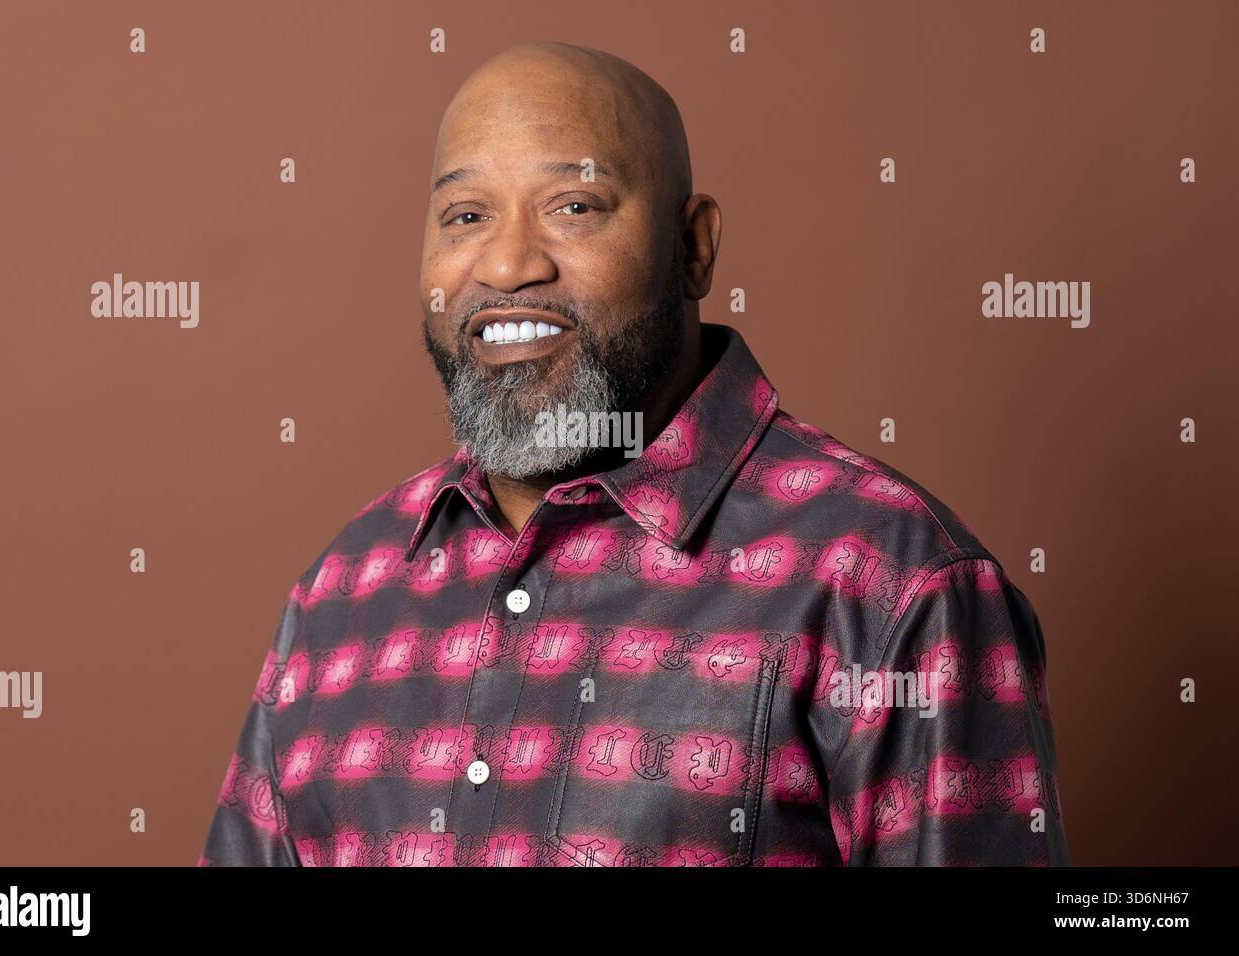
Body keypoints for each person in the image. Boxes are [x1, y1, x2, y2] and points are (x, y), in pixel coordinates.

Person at [198, 40, 1067, 867]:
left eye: (574, 206)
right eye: (466, 215)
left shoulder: (889, 586)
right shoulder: (342, 597)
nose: (507, 263)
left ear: (693, 248)